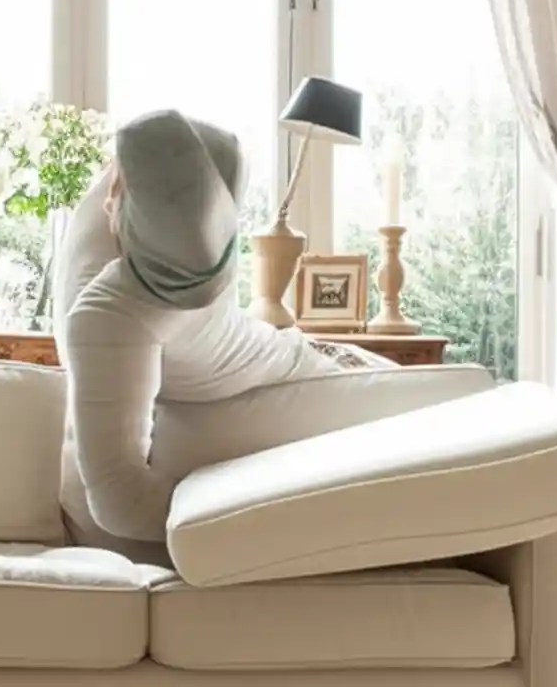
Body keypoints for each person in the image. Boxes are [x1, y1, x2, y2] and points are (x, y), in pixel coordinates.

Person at [63, 110, 365, 542]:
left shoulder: (201, 216)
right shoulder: (108, 312)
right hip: (304, 371)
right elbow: (121, 502)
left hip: (321, 370)